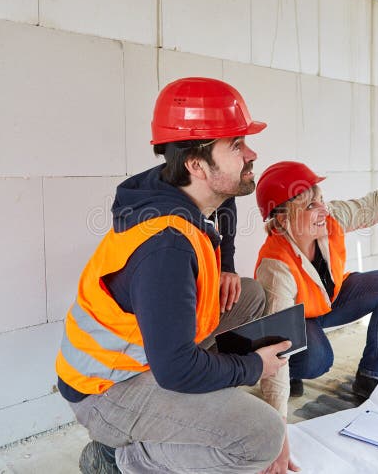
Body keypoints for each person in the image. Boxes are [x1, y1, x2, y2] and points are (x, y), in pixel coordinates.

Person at [56, 77, 290, 474]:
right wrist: (253, 367)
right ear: (197, 165)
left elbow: (227, 202)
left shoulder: (177, 186)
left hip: (145, 355)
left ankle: (201, 405)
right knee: (261, 437)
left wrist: (227, 267)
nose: (251, 153)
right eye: (236, 145)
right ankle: (117, 459)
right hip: (106, 389)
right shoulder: (165, 247)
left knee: (247, 294)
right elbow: (176, 368)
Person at [253, 159, 378, 473]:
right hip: (296, 321)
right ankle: (296, 373)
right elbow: (276, 344)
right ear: (280, 222)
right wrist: (277, 432)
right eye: (310, 206)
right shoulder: (276, 266)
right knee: (319, 359)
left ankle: (371, 377)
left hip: (329, 301)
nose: (323, 209)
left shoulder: (329, 219)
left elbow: (373, 205)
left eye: (320, 199)